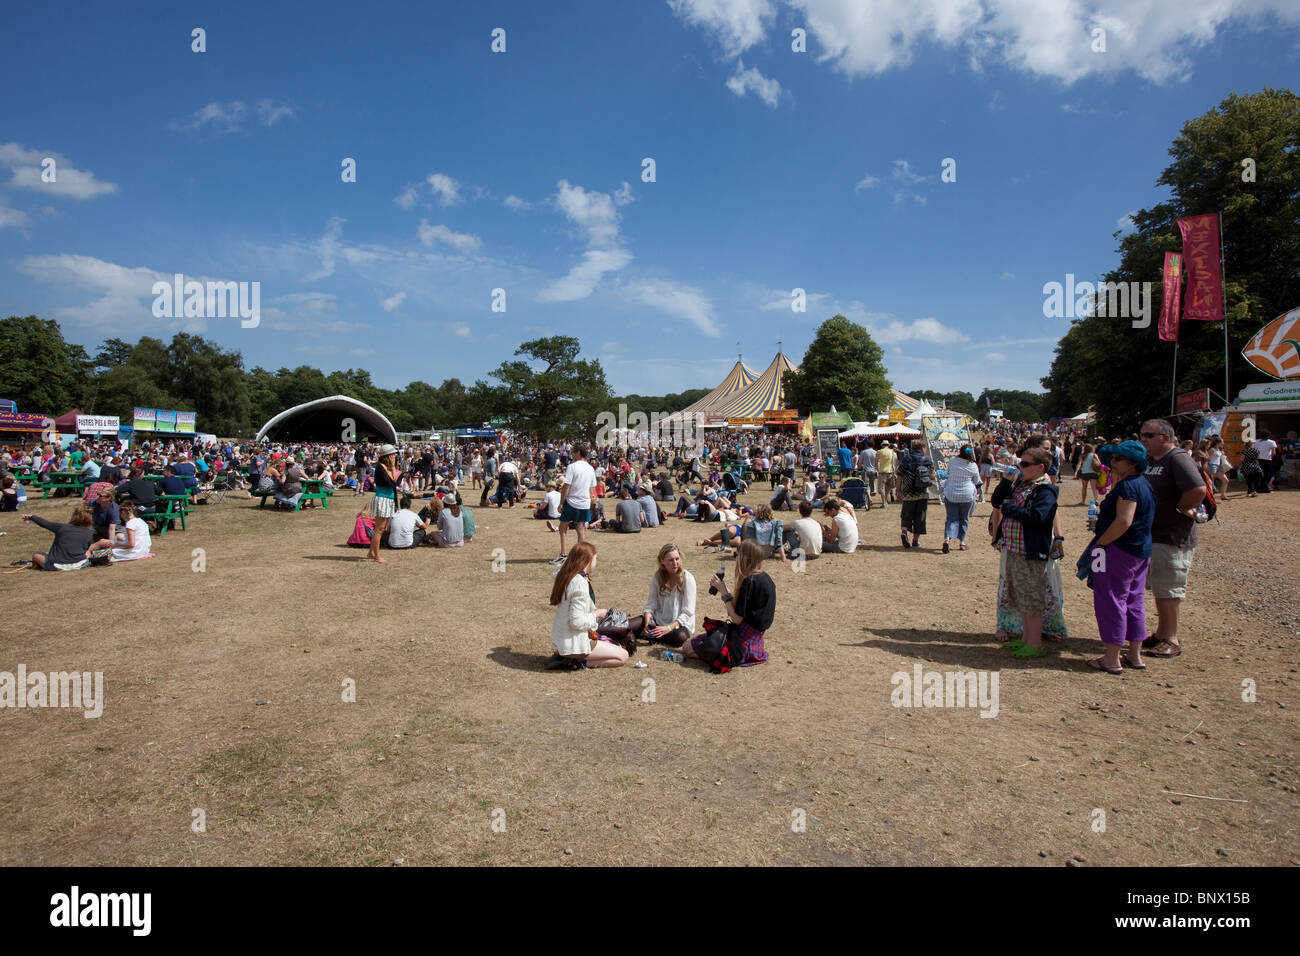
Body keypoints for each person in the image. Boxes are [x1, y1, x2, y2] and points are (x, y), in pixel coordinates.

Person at [1083, 440, 1156, 673]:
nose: (1112, 462)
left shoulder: (1128, 487)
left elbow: (1124, 521)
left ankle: (1112, 657)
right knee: (1134, 600)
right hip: (1139, 550)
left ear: (1132, 463)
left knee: (1111, 600)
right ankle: (1134, 654)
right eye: (1112, 458)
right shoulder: (1144, 484)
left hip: (1117, 550)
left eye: (1117, 459)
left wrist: (1101, 543)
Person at [1139, 419, 1204, 658]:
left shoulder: (1177, 459)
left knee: (1169, 590)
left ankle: (1171, 638)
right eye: (1142, 435)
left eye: (1148, 435)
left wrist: (1180, 508)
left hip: (1173, 535)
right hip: (1154, 533)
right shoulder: (1152, 461)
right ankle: (1161, 632)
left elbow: (1197, 489)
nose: (1143, 439)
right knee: (1159, 587)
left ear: (1165, 437)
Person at [993, 447, 1059, 659]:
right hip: (1014, 548)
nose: (1021, 467)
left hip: (1030, 551)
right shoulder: (1022, 484)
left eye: (1025, 464)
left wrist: (1010, 509)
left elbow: (1038, 516)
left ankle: (1035, 642)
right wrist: (1005, 482)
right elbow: (997, 501)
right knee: (1020, 595)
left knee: (1032, 597)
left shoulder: (1044, 490)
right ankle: (1026, 639)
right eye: (1021, 463)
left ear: (1040, 468)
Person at [684, 540, 774, 671]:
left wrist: (724, 593)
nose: (735, 558)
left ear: (744, 558)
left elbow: (737, 619)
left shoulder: (749, 582)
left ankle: (718, 657)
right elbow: (747, 611)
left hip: (743, 642)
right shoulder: (766, 578)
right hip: (756, 641)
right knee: (696, 642)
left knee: (687, 647)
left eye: (736, 555)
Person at [546, 542, 627, 669]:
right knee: (622, 656)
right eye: (595, 558)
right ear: (588, 560)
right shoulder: (579, 583)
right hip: (574, 644)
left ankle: (565, 657)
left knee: (616, 646)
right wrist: (597, 614)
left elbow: (560, 567)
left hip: (562, 639)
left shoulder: (565, 575)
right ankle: (574, 662)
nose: (596, 562)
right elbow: (576, 622)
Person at [640, 543, 697, 647]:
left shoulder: (688, 579)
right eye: (671, 560)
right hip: (659, 620)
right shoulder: (657, 577)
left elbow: (687, 612)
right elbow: (650, 605)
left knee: (681, 637)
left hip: (678, 625)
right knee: (633, 624)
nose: (675, 563)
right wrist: (648, 623)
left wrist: (668, 628)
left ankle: (652, 636)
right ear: (662, 561)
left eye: (677, 559)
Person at [553, 443, 596, 564]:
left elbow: (567, 485)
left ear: (578, 452)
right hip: (584, 502)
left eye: (573, 452)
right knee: (581, 528)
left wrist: (561, 503)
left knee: (563, 527)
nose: (571, 454)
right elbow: (592, 487)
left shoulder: (572, 467)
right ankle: (581, 556)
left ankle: (563, 554)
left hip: (572, 501)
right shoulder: (590, 468)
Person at [23, 506, 95, 571]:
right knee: (88, 552)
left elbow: (44, 523)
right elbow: (86, 549)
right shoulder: (89, 532)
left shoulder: (62, 527)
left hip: (57, 565)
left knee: (36, 555)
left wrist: (32, 517)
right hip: (79, 564)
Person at [941, 445, 980, 553]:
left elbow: (949, 473)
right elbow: (977, 481)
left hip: (951, 493)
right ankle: (962, 542)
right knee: (964, 519)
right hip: (966, 495)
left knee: (951, 518)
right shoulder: (973, 465)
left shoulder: (952, 461)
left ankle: (947, 539)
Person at [367, 445, 400, 564]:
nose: (395, 456)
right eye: (393, 454)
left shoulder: (385, 467)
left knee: (382, 528)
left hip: (388, 499)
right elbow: (393, 481)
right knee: (379, 530)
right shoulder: (381, 467)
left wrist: (392, 467)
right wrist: (392, 466)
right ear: (387, 456)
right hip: (383, 499)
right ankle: (377, 556)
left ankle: (371, 552)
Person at [896, 440, 930, 549]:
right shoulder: (927, 460)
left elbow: (899, 476)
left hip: (908, 493)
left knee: (906, 515)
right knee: (920, 517)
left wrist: (898, 491)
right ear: (922, 448)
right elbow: (932, 476)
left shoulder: (906, 459)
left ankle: (904, 531)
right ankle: (915, 541)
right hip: (922, 493)